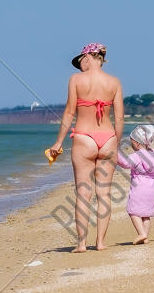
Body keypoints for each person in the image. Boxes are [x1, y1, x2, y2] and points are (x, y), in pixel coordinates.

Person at [46, 43, 124, 251]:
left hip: (83, 138)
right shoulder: (114, 82)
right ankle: (100, 243)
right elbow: (119, 117)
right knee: (104, 194)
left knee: (83, 193)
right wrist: (117, 142)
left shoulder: (76, 80)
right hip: (108, 138)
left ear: (89, 56)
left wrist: (58, 142)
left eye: (80, 60)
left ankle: (81, 244)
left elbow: (69, 113)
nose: (79, 66)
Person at [116, 124, 154, 244]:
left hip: (139, 186)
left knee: (133, 211)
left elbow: (125, 163)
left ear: (138, 143)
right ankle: (145, 237)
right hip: (151, 186)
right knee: (146, 214)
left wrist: (115, 153)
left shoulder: (136, 156)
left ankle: (142, 234)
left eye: (132, 143)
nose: (131, 145)